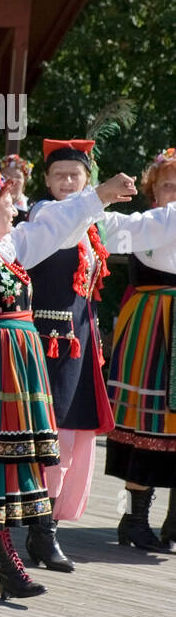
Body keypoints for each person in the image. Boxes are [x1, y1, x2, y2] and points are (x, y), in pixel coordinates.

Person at [0, 167, 135, 599]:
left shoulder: (9, 245)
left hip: (11, 367)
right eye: (6, 208)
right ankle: (10, 567)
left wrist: (101, 196)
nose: (16, 214)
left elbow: (54, 227)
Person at [26, 138, 176, 570]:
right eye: (59, 176)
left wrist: (99, 202)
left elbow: (145, 228)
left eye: (76, 176)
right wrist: (98, 195)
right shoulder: (45, 213)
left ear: (87, 178)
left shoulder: (97, 224)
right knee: (39, 437)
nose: (68, 183)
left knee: (71, 439)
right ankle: (12, 527)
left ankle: (46, 529)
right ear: (47, 181)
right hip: (43, 340)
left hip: (79, 341)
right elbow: (65, 223)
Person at [105, 147, 176, 552]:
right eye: (168, 185)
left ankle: (171, 523)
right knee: (147, 424)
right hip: (155, 322)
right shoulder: (151, 222)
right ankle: (134, 519)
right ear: (153, 190)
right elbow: (111, 231)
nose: (175, 192)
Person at [0, 154, 34, 225]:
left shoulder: (33, 209)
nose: (12, 181)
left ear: (24, 183)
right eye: (6, 176)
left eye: (18, 177)